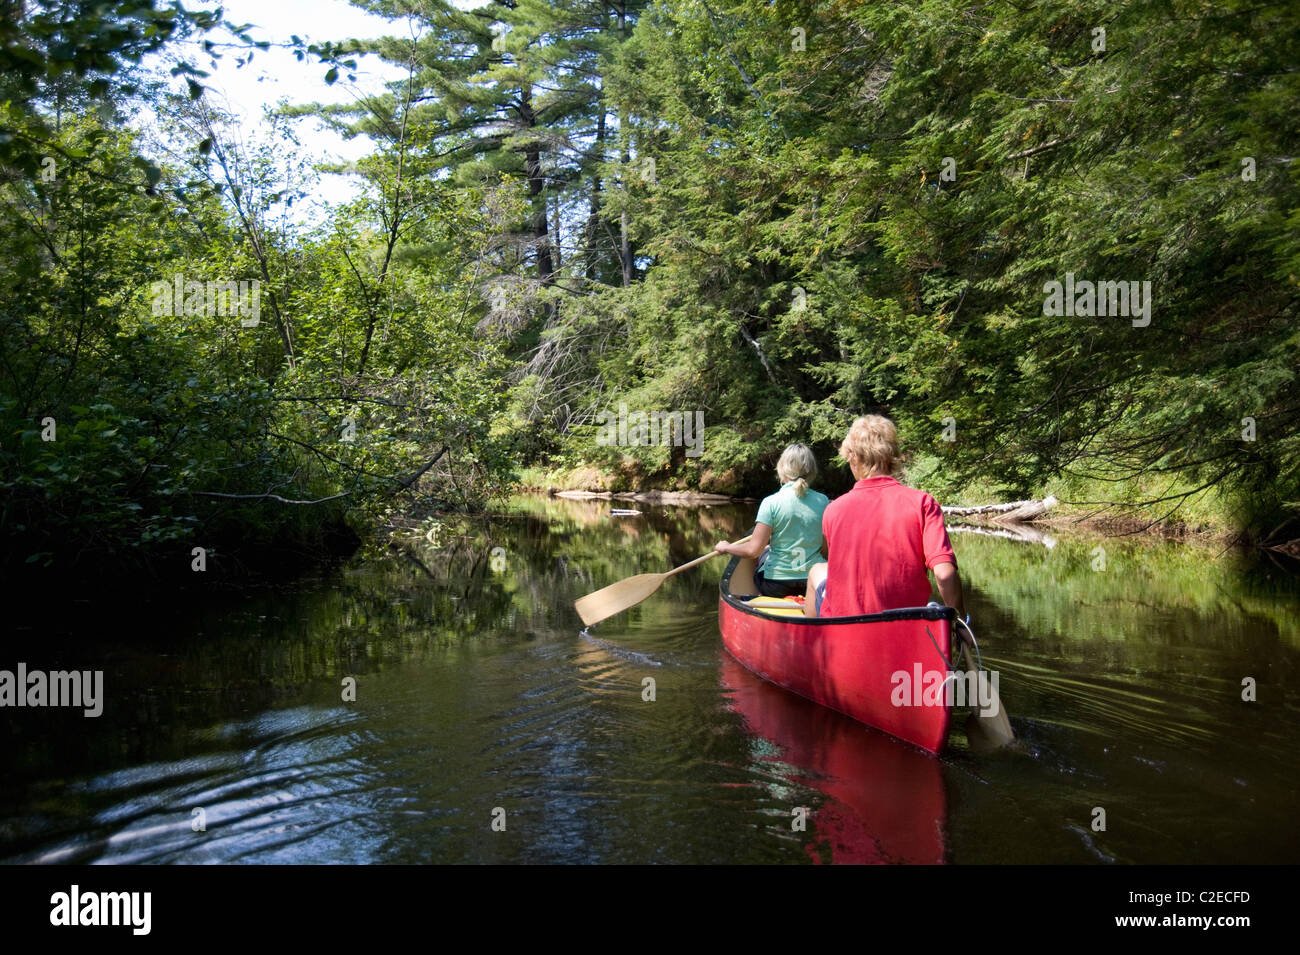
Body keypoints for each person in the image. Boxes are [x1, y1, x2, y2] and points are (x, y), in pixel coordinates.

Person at [804, 415, 966, 620]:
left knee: (817, 571)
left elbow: (832, 558)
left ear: (853, 458)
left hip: (844, 632)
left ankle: (811, 644)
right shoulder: (922, 503)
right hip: (905, 629)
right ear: (892, 456)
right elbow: (945, 574)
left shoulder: (833, 510)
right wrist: (960, 622)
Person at [715, 443, 828, 597]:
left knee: (764, 552)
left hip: (776, 586)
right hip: (811, 583)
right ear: (811, 470)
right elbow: (824, 548)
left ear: (782, 469)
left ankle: (759, 597)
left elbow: (753, 551)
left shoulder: (771, 502)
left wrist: (726, 547)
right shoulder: (823, 501)